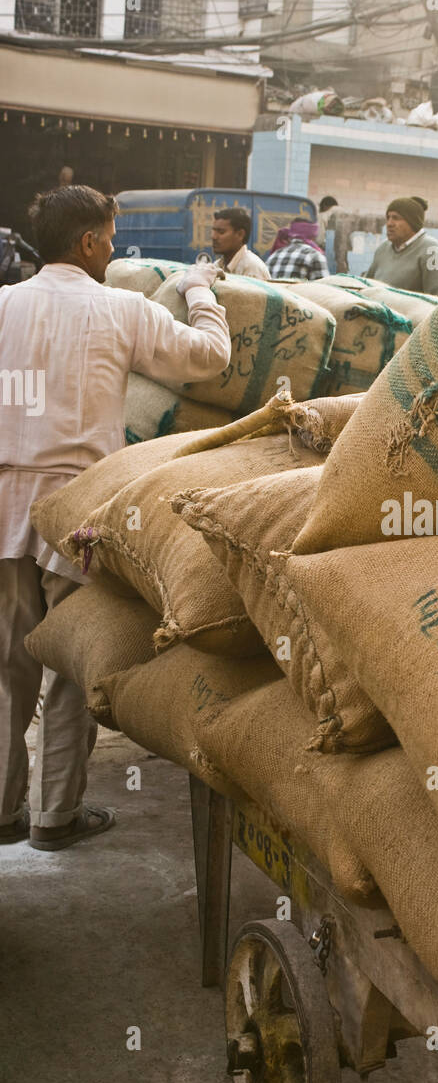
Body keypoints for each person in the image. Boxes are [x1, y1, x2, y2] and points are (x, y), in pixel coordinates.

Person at [0, 185, 231, 851]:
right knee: (72, 669)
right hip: (76, 514)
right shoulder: (120, 309)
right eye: (109, 234)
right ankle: (54, 817)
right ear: (90, 243)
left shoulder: (6, 304)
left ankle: (3, 807)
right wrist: (200, 291)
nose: (111, 245)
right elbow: (209, 359)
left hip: (6, 508)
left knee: (5, 668)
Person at [365, 197, 438, 296]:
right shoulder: (383, 249)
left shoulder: (431, 250)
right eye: (388, 217)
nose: (389, 224)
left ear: (412, 222)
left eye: (396, 218)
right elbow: (367, 285)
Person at [212, 208, 270, 279]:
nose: (213, 237)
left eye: (221, 232)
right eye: (214, 231)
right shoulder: (217, 266)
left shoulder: (252, 268)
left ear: (240, 234)